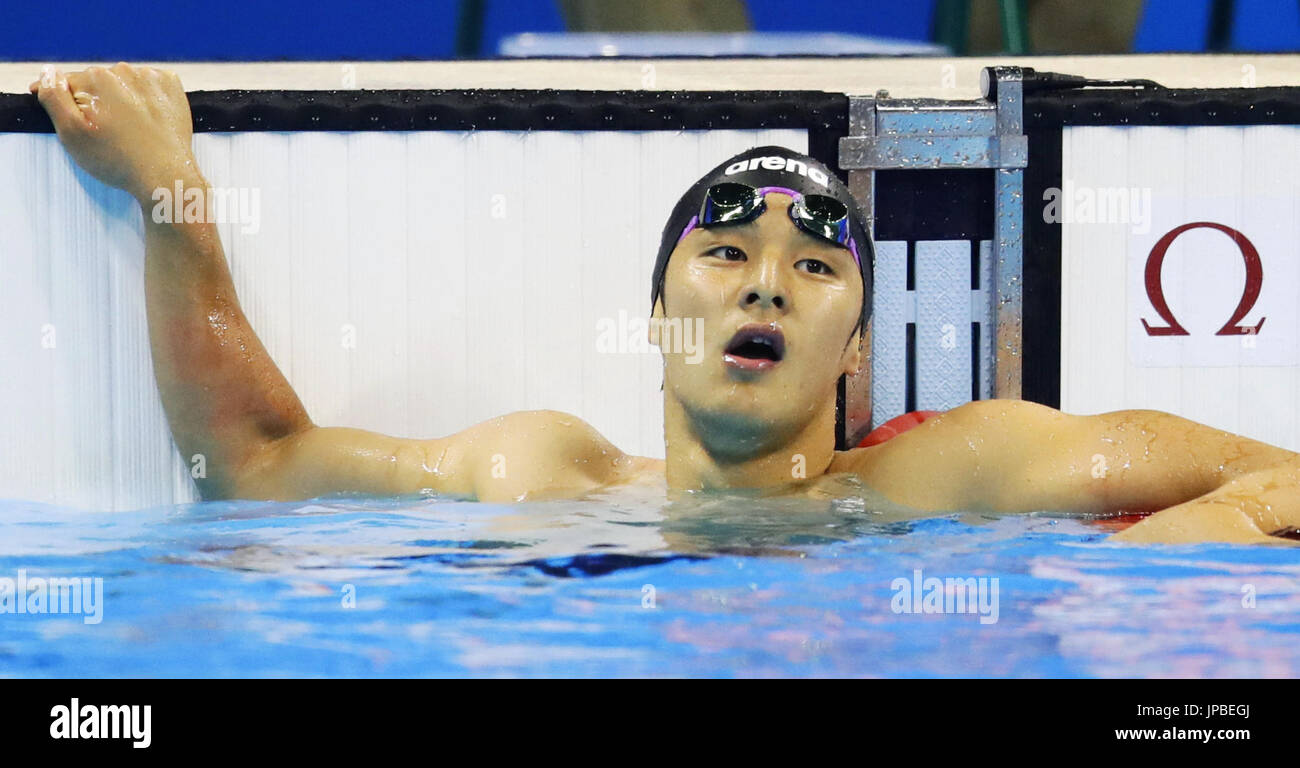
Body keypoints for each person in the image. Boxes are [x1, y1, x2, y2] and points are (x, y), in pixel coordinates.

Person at [29, 63, 1300, 545]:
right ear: (656, 316)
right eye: (727, 251)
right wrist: (169, 194)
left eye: (814, 266)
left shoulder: (950, 476)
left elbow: (1279, 480)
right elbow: (247, 467)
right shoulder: (546, 472)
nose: (764, 277)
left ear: (851, 347)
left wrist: (1186, 542)